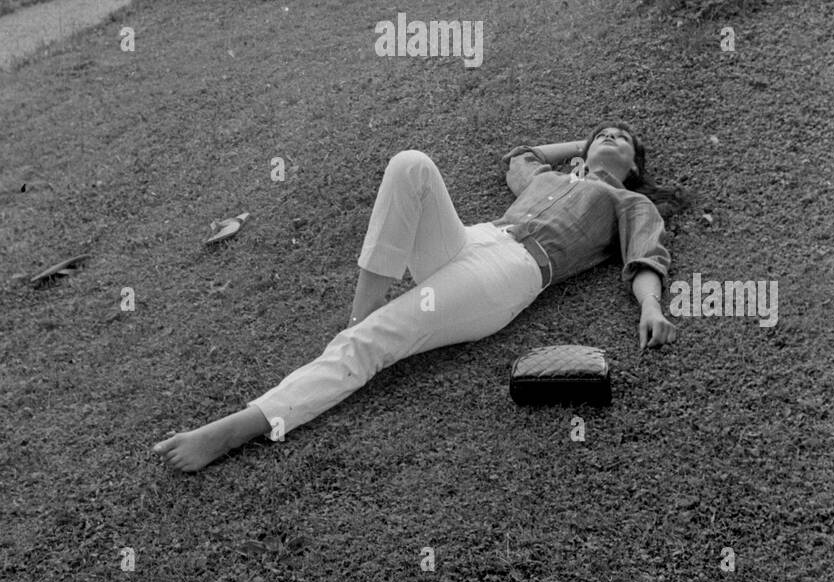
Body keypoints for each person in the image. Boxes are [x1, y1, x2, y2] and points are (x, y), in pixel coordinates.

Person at [154, 122, 685, 472]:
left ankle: (235, 430)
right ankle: (358, 317)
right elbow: (518, 156)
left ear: (635, 164)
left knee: (377, 341)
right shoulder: (546, 178)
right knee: (411, 164)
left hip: (509, 272)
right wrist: (583, 146)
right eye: (603, 131)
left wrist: (651, 306)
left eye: (622, 137)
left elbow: (646, 258)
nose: (611, 133)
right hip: (475, 237)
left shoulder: (628, 200)